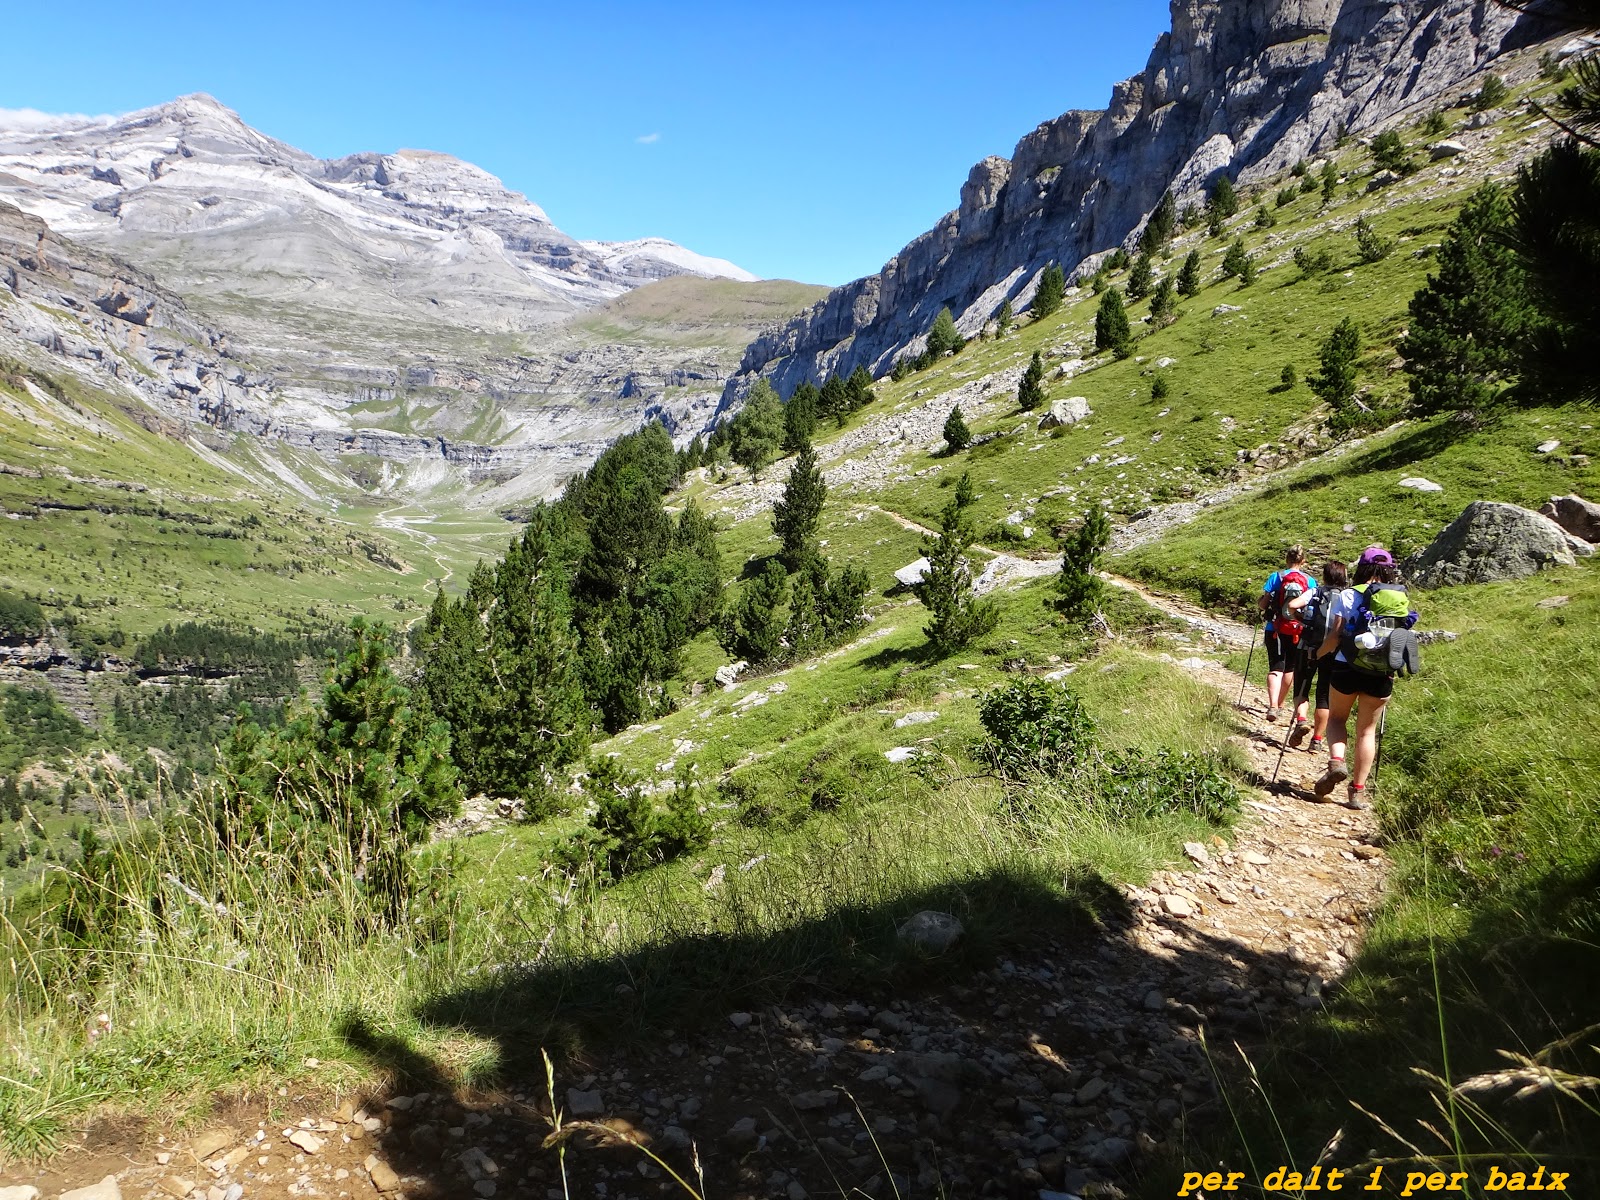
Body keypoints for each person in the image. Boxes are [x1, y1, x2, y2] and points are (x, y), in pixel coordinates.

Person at [1311, 547, 1413, 809]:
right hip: (1381, 671)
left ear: (1363, 568)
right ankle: (1357, 792)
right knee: (1367, 731)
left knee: (1336, 717)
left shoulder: (1347, 595)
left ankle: (1336, 761)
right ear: (1390, 569)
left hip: (1347, 666)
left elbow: (1335, 636)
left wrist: (1318, 653)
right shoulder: (1399, 597)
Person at [1288, 559, 1347, 752]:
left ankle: (1302, 721)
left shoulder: (1316, 592)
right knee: (1324, 697)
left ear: (1325, 576)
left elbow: (1293, 605)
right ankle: (1317, 740)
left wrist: (1301, 619)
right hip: (1333, 652)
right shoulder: (1347, 597)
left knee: (1301, 688)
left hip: (1308, 647)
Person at [1256, 546, 1316, 722]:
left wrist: (1262, 602)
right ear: (1303, 561)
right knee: (1289, 668)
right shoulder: (1310, 581)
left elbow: (1263, 604)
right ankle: (1280, 705)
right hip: (1297, 630)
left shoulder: (1276, 577)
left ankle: (1273, 705)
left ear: (1286, 559)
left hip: (1274, 628)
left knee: (1276, 666)